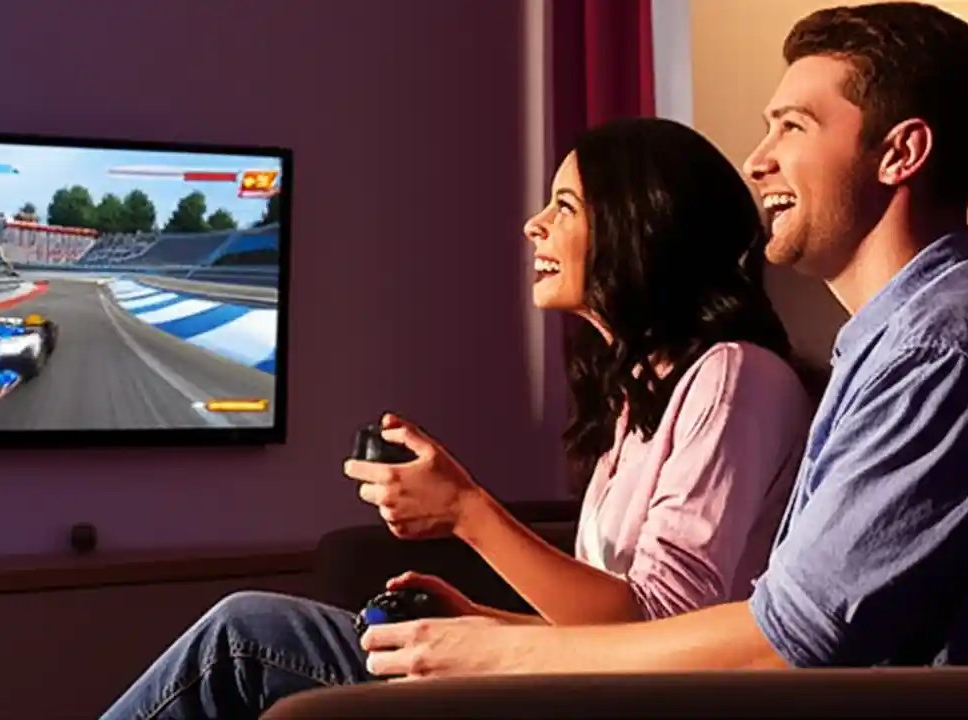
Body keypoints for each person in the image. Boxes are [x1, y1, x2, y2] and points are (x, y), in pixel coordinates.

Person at [356, 1, 968, 679]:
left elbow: (791, 643)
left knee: (257, 646)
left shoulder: (939, 345)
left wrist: (498, 651)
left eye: (793, 127)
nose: (757, 161)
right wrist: (495, 633)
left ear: (900, 152)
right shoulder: (906, 338)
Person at [100, 117, 816, 718]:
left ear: (642, 224)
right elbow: (611, 635)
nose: (533, 224)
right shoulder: (644, 396)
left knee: (242, 638)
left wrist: (467, 512)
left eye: (565, 206)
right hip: (595, 682)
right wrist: (480, 622)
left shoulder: (735, 376)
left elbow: (660, 631)